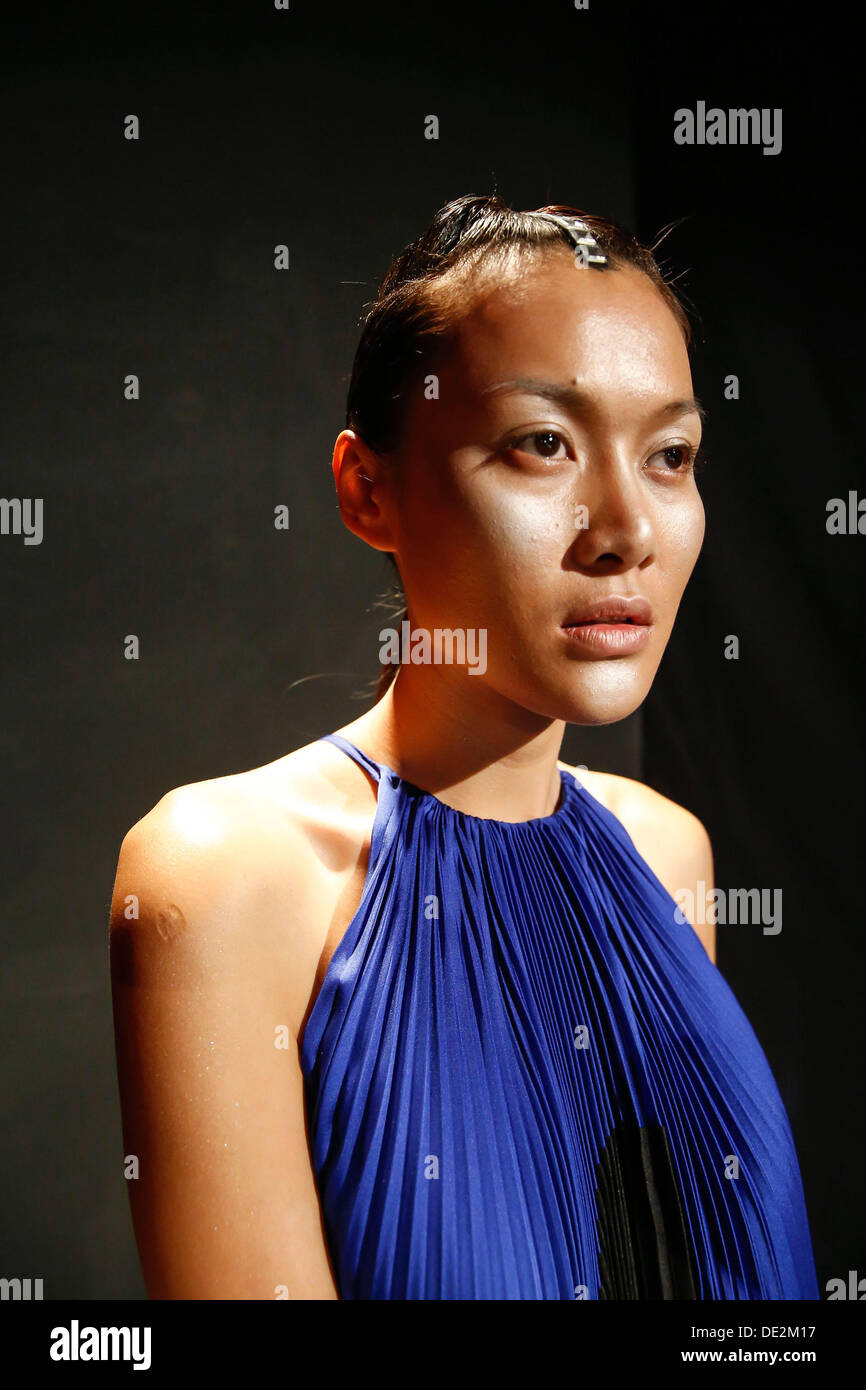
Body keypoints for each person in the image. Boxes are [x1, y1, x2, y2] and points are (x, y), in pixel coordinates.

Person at [109, 194, 819, 1300]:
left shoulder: (666, 857)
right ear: (366, 489)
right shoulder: (227, 877)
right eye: (542, 443)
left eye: (670, 453)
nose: (626, 529)